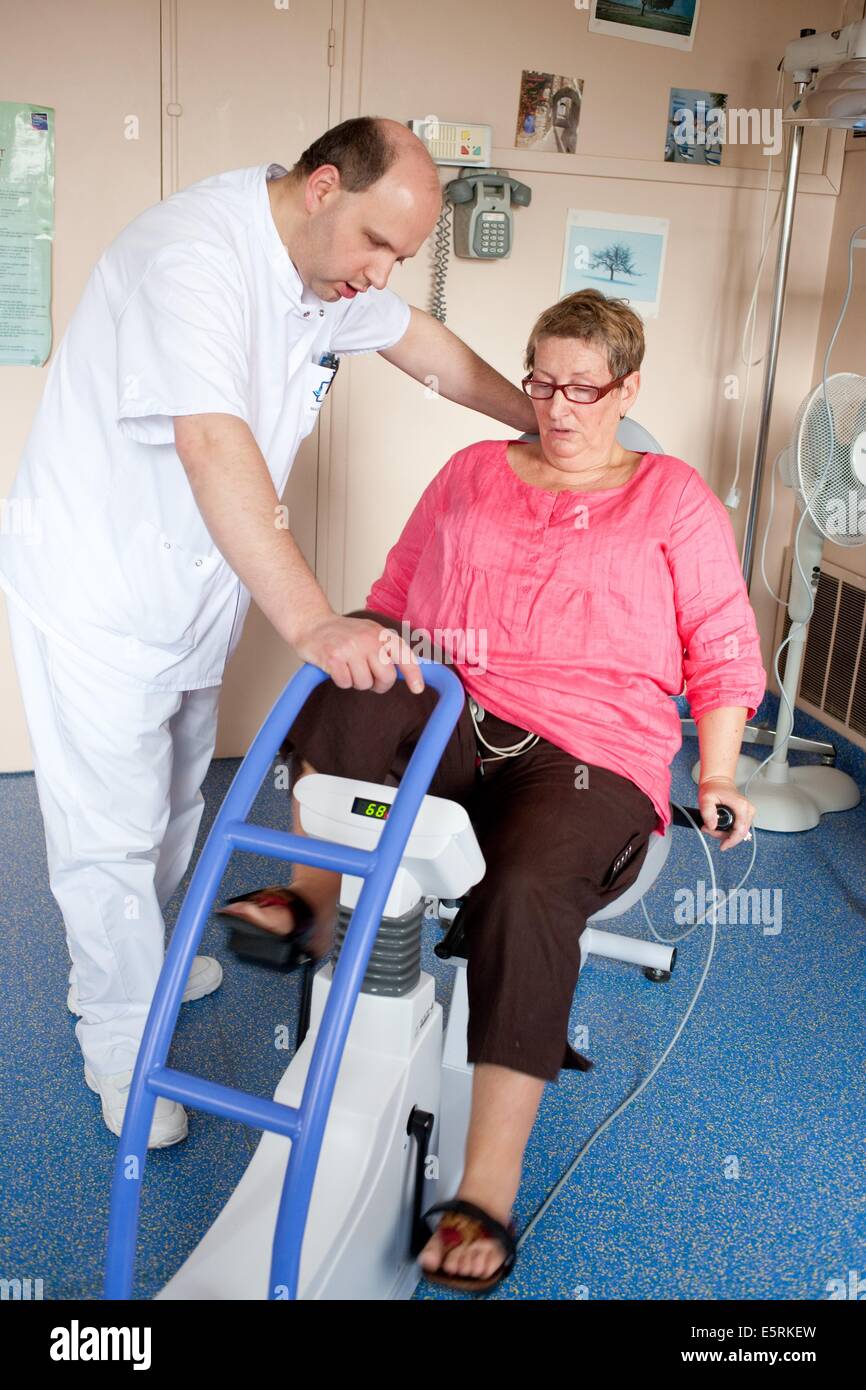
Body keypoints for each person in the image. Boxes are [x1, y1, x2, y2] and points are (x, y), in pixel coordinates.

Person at [0, 116, 540, 1146]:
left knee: (168, 806)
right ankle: (118, 1047)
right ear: (323, 186)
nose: (381, 274)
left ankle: (147, 965)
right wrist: (311, 618)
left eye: (400, 257)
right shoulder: (191, 258)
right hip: (95, 590)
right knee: (107, 835)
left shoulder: (323, 278)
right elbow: (212, 442)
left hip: (190, 590)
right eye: (378, 245)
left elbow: (421, 347)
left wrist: (532, 416)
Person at [218, 288, 767, 1293]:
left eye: (582, 390)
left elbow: (722, 651)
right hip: (456, 709)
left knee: (523, 892)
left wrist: (720, 773)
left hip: (590, 749)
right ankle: (308, 903)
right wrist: (362, 643)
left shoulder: (672, 498)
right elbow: (390, 598)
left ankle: (485, 1189)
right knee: (352, 672)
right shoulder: (471, 471)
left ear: (627, 387)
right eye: (540, 383)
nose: (556, 409)